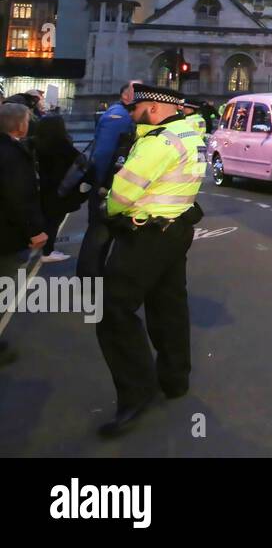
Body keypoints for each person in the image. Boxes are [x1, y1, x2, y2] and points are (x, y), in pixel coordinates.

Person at [94, 84, 207, 438]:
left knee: (113, 309)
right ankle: (175, 379)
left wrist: (107, 207)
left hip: (146, 234)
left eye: (137, 106)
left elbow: (123, 194)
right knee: (168, 303)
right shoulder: (188, 131)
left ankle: (136, 391)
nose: (131, 112)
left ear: (155, 108)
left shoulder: (159, 142)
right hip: (176, 228)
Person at [0, 104, 49, 366]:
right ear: (20, 125)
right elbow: (18, 197)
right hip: (7, 235)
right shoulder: (13, 154)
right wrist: (34, 231)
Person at [30, 114, 82, 263]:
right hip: (59, 190)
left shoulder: (35, 143)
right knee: (53, 222)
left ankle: (41, 247)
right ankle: (47, 252)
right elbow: (78, 161)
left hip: (40, 189)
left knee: (44, 220)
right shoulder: (63, 145)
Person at [88, 83, 138, 230]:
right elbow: (104, 152)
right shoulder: (118, 115)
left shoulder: (123, 113)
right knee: (100, 230)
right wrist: (101, 182)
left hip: (111, 178)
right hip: (106, 180)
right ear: (125, 95)